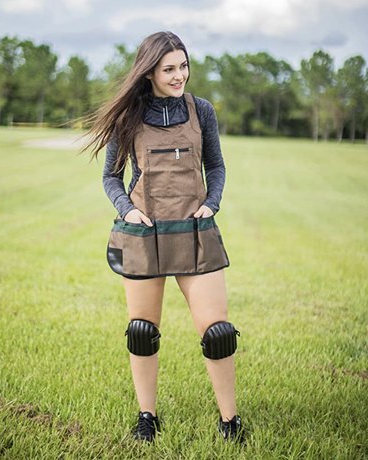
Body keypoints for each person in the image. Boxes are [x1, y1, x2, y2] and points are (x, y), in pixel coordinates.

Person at [83, 31, 245, 444]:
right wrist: (128, 210)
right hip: (143, 235)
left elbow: (217, 167)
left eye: (183, 66)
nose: (179, 75)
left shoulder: (201, 110)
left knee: (218, 332)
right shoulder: (129, 117)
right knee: (141, 329)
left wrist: (212, 202)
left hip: (195, 232)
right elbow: (110, 178)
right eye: (169, 68)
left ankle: (230, 422)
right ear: (150, 71)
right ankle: (147, 416)